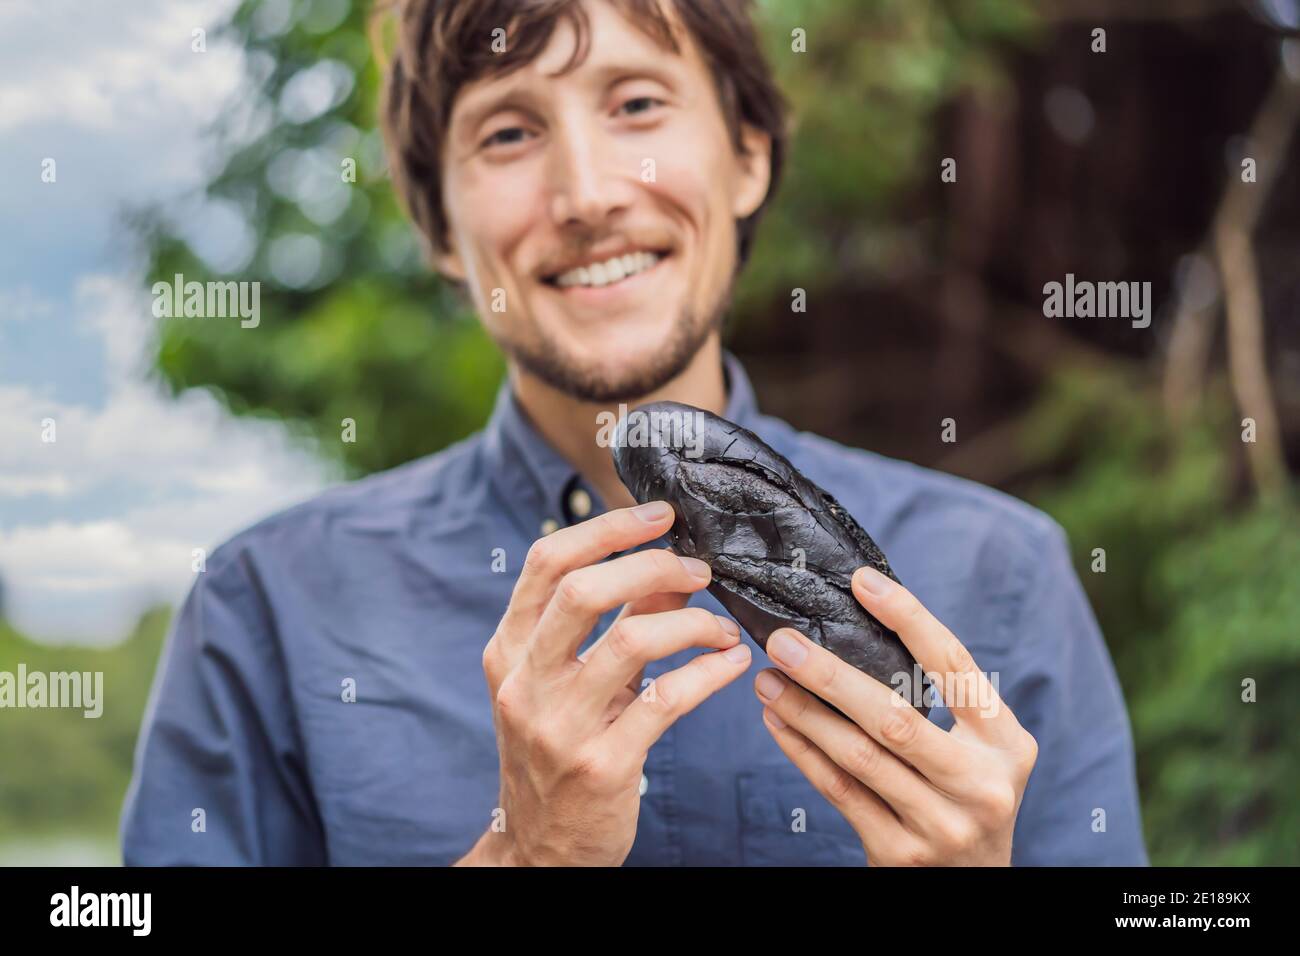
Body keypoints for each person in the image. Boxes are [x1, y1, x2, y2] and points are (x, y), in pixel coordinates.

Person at [120, 0, 1147, 866]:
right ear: (438, 227)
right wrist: (520, 854)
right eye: (509, 132)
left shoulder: (1004, 574)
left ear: (747, 157)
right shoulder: (264, 606)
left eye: (638, 104)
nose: (589, 194)